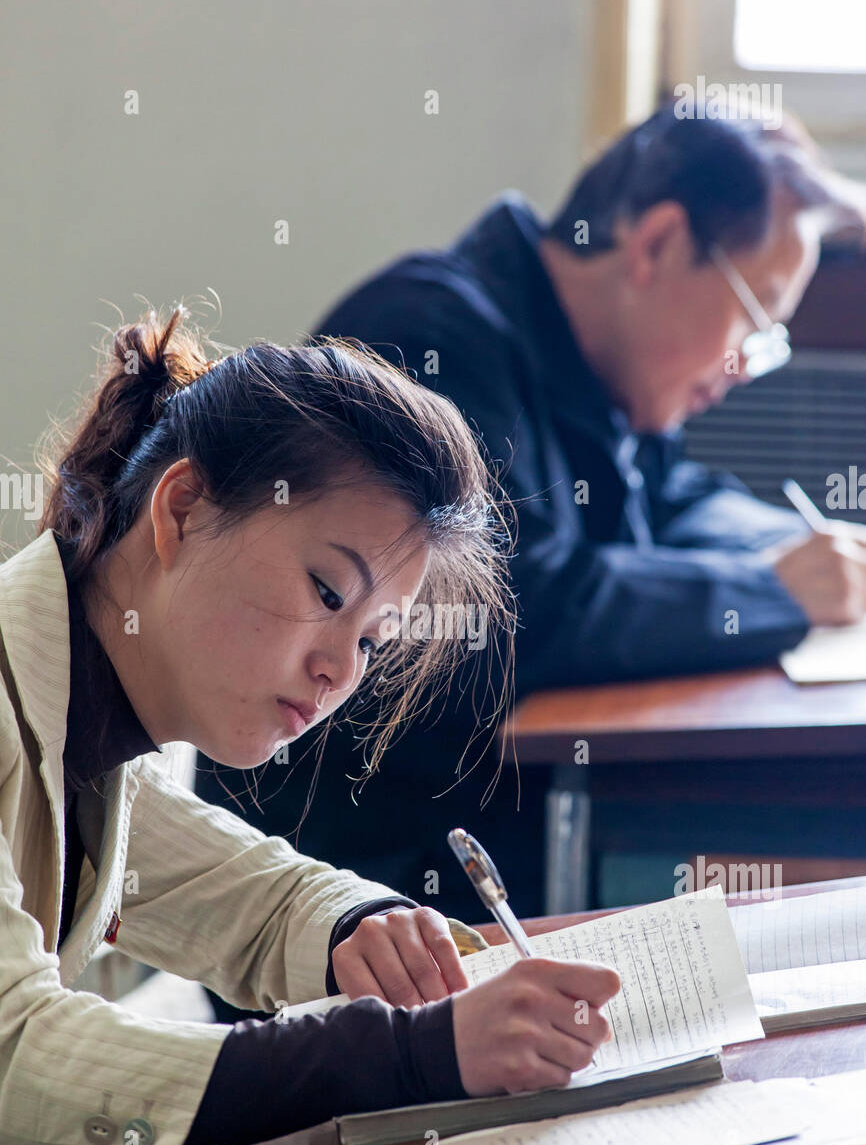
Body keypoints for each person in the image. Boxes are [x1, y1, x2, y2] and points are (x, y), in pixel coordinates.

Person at [196, 100, 866, 922]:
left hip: (484, 842)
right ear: (657, 244)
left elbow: (676, 502)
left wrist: (811, 550)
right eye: (756, 319)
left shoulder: (606, 373)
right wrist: (778, 594)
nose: (745, 366)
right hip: (352, 888)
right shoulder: (432, 335)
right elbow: (515, 614)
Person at [0, 303, 621, 1145]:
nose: (339, 670)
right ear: (181, 508)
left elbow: (234, 891)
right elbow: (15, 1054)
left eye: (373, 640)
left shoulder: (111, 717)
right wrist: (409, 1053)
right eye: (328, 592)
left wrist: (359, 928)